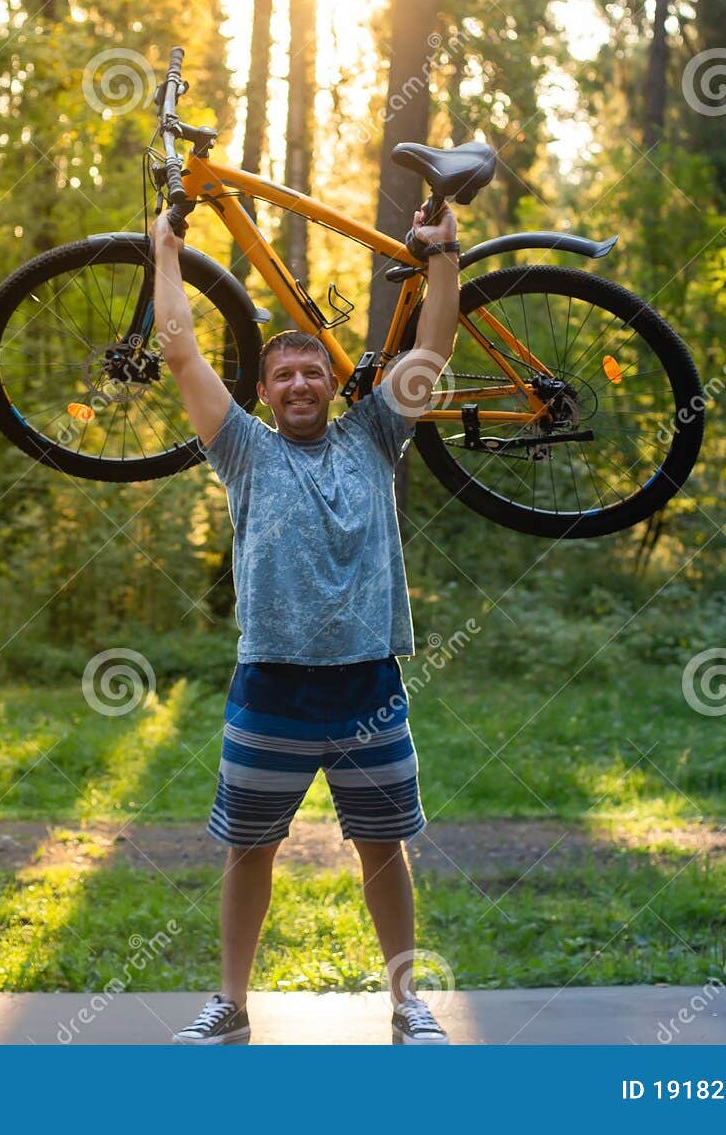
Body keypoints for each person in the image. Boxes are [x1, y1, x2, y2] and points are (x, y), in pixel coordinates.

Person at [148, 199, 462, 1045]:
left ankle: (408, 1001)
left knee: (383, 847)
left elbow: (433, 348)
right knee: (249, 850)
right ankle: (231, 1004)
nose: (297, 384)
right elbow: (179, 350)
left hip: (368, 686)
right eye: (282, 375)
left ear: (331, 382)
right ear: (262, 392)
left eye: (311, 372)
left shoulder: (376, 435)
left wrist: (444, 258)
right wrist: (165, 253)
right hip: (271, 687)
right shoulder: (241, 448)